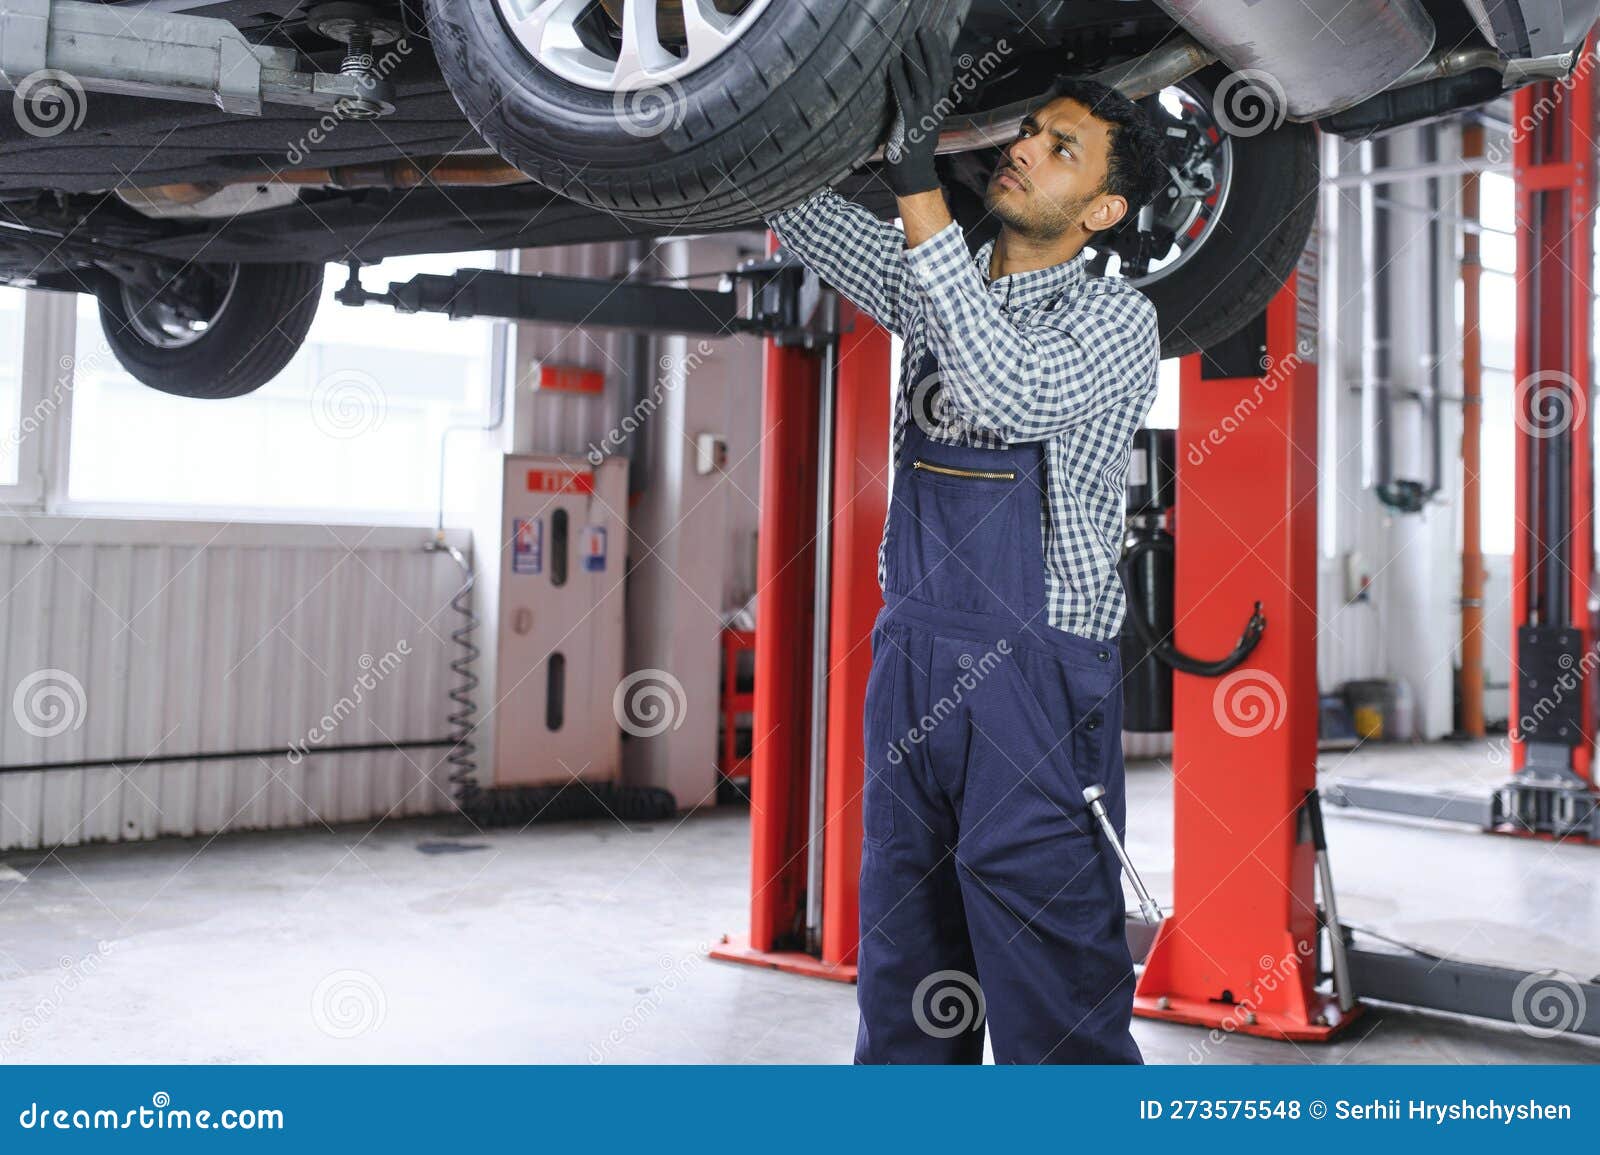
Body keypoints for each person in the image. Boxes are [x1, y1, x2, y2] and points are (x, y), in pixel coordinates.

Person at [766, 26, 1167, 1064]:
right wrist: (762, 113)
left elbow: (1010, 388)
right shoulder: (937, 275)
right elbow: (792, 210)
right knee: (906, 968)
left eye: (1060, 149)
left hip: (1031, 690)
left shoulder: (1113, 320)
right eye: (1028, 131)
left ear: (1101, 212)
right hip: (910, 661)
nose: (1023, 149)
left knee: (1055, 989)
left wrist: (917, 195)